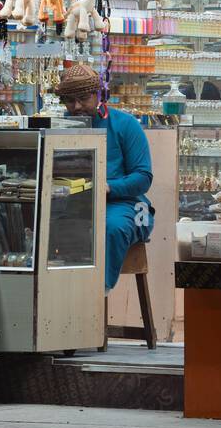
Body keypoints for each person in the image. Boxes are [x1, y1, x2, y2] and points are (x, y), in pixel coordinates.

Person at [53, 64, 154, 292]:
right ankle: (57, 293)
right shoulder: (60, 126)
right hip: (75, 202)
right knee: (48, 225)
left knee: (112, 226)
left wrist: (108, 187)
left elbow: (143, 177)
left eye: (83, 99)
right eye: (70, 101)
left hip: (130, 205)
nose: (76, 107)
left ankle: (97, 293)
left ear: (99, 94)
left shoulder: (125, 124)